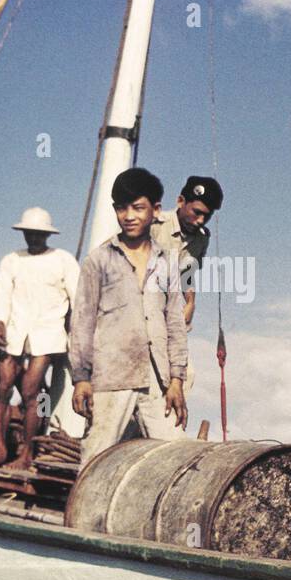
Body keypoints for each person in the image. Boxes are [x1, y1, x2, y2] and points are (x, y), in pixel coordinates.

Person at [72, 168, 188, 465]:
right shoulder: (99, 259)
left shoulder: (167, 262)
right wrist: (81, 378)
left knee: (173, 458)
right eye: (122, 208)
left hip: (158, 379)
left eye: (138, 207)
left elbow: (175, 323)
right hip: (111, 376)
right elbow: (82, 322)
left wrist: (176, 379)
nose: (129, 216)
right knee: (96, 459)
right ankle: (84, 513)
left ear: (156, 211)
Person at [0, 208, 79, 468]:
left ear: (47, 235)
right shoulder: (12, 260)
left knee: (35, 392)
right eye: (29, 233)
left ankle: (28, 453)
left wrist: (77, 333)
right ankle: (0, 448)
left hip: (48, 334)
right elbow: (1, 293)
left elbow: (78, 297)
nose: (33, 238)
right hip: (15, 332)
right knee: (3, 388)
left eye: (38, 234)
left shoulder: (63, 259)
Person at [151, 175, 223, 331]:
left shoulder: (202, 239)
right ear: (181, 202)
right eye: (197, 212)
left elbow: (187, 275)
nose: (201, 221)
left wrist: (190, 302)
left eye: (207, 216)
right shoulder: (154, 224)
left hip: (166, 318)